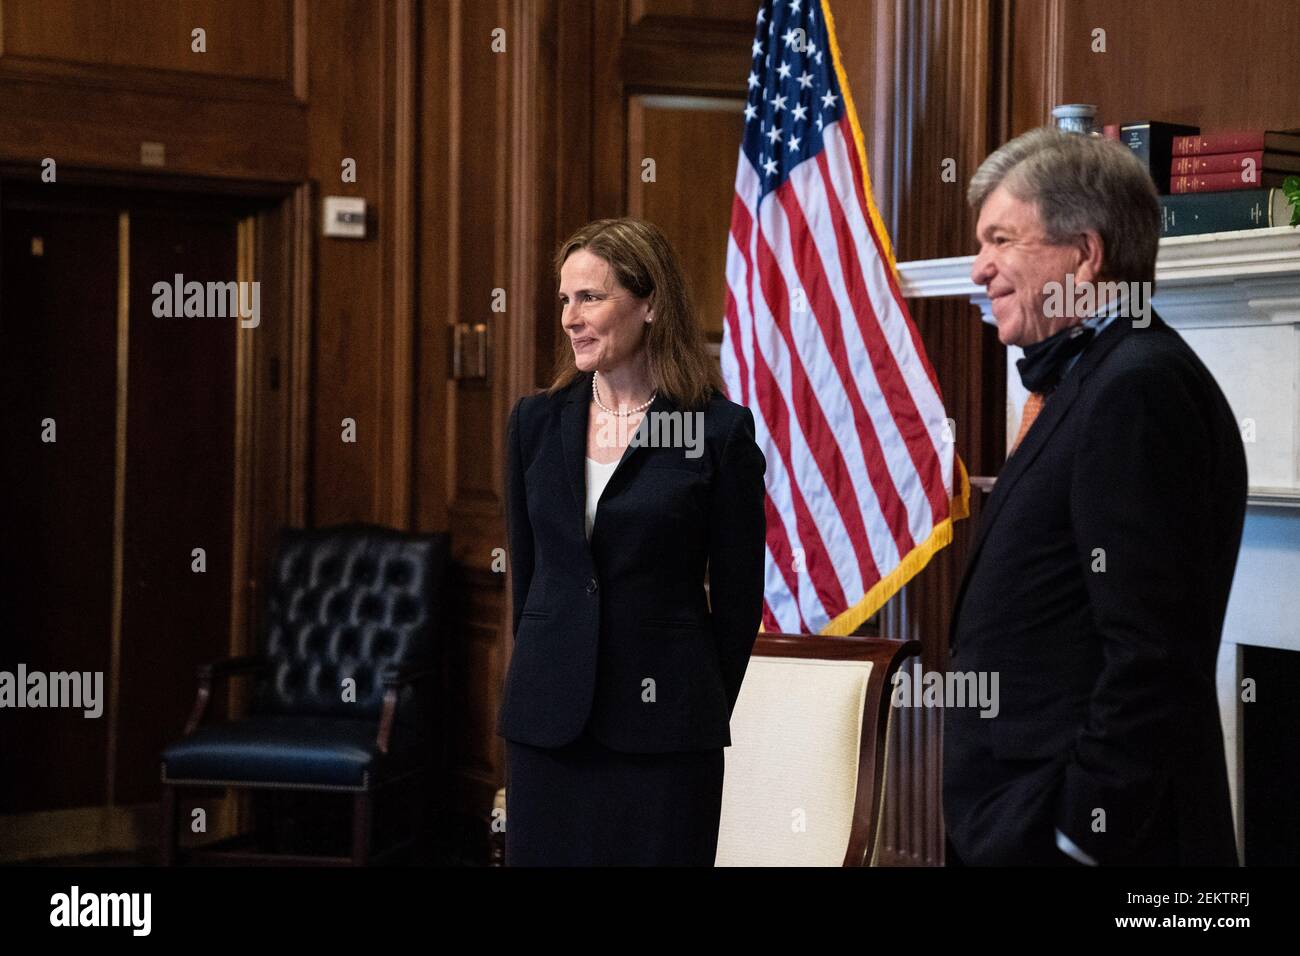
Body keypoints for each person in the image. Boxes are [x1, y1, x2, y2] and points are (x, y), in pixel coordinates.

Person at [944, 127, 1246, 866]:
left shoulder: (1135, 387)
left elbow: (1152, 652)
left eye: (1001, 239)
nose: (978, 269)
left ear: (1084, 255)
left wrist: (1080, 834)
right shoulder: (1089, 378)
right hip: (1020, 816)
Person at [496, 217, 767, 866]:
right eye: (564, 299)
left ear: (649, 303)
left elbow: (738, 602)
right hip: (547, 727)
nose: (570, 317)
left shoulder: (718, 430)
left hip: (666, 735)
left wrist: (692, 700)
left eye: (591, 297)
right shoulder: (535, 423)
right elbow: (529, 579)